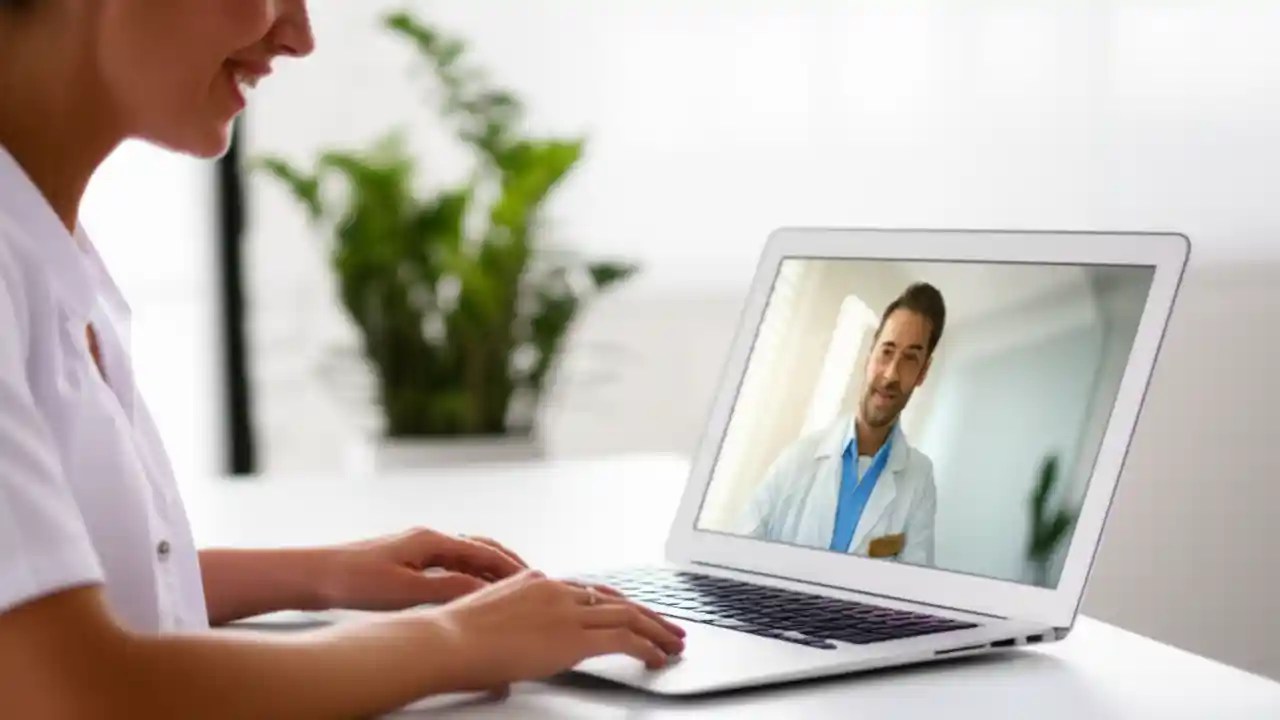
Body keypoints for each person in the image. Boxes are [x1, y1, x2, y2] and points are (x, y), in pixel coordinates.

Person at [0, 2, 684, 717]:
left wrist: (325, 574)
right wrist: (454, 640)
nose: (297, 35)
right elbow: (73, 688)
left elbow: (68, 599)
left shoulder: (46, 245)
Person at [736, 282, 946, 568]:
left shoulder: (919, 480)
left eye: (910, 359)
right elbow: (738, 556)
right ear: (870, 353)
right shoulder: (797, 458)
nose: (891, 374)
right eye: (887, 351)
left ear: (923, 372)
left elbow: (913, 593)